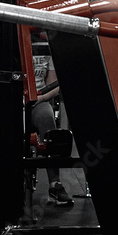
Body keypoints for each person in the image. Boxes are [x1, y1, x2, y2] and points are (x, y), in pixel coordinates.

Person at [30, 32, 72, 207]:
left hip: (39, 101)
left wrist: (39, 98)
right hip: (12, 100)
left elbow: (53, 85)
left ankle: (55, 184)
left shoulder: (47, 47)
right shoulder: (10, 42)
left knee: (47, 120)